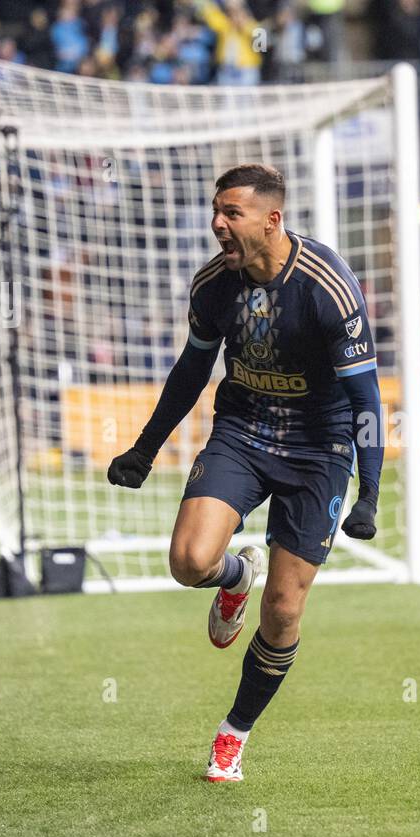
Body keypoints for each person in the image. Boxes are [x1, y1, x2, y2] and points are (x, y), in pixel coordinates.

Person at [106, 164, 383, 782]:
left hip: (320, 449)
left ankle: (233, 733)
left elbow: (366, 399)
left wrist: (370, 492)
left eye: (231, 213)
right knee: (187, 563)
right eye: (216, 211)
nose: (218, 224)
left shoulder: (327, 288)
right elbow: (190, 373)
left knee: (283, 611)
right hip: (243, 433)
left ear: (272, 220)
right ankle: (237, 573)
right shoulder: (213, 285)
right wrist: (145, 449)